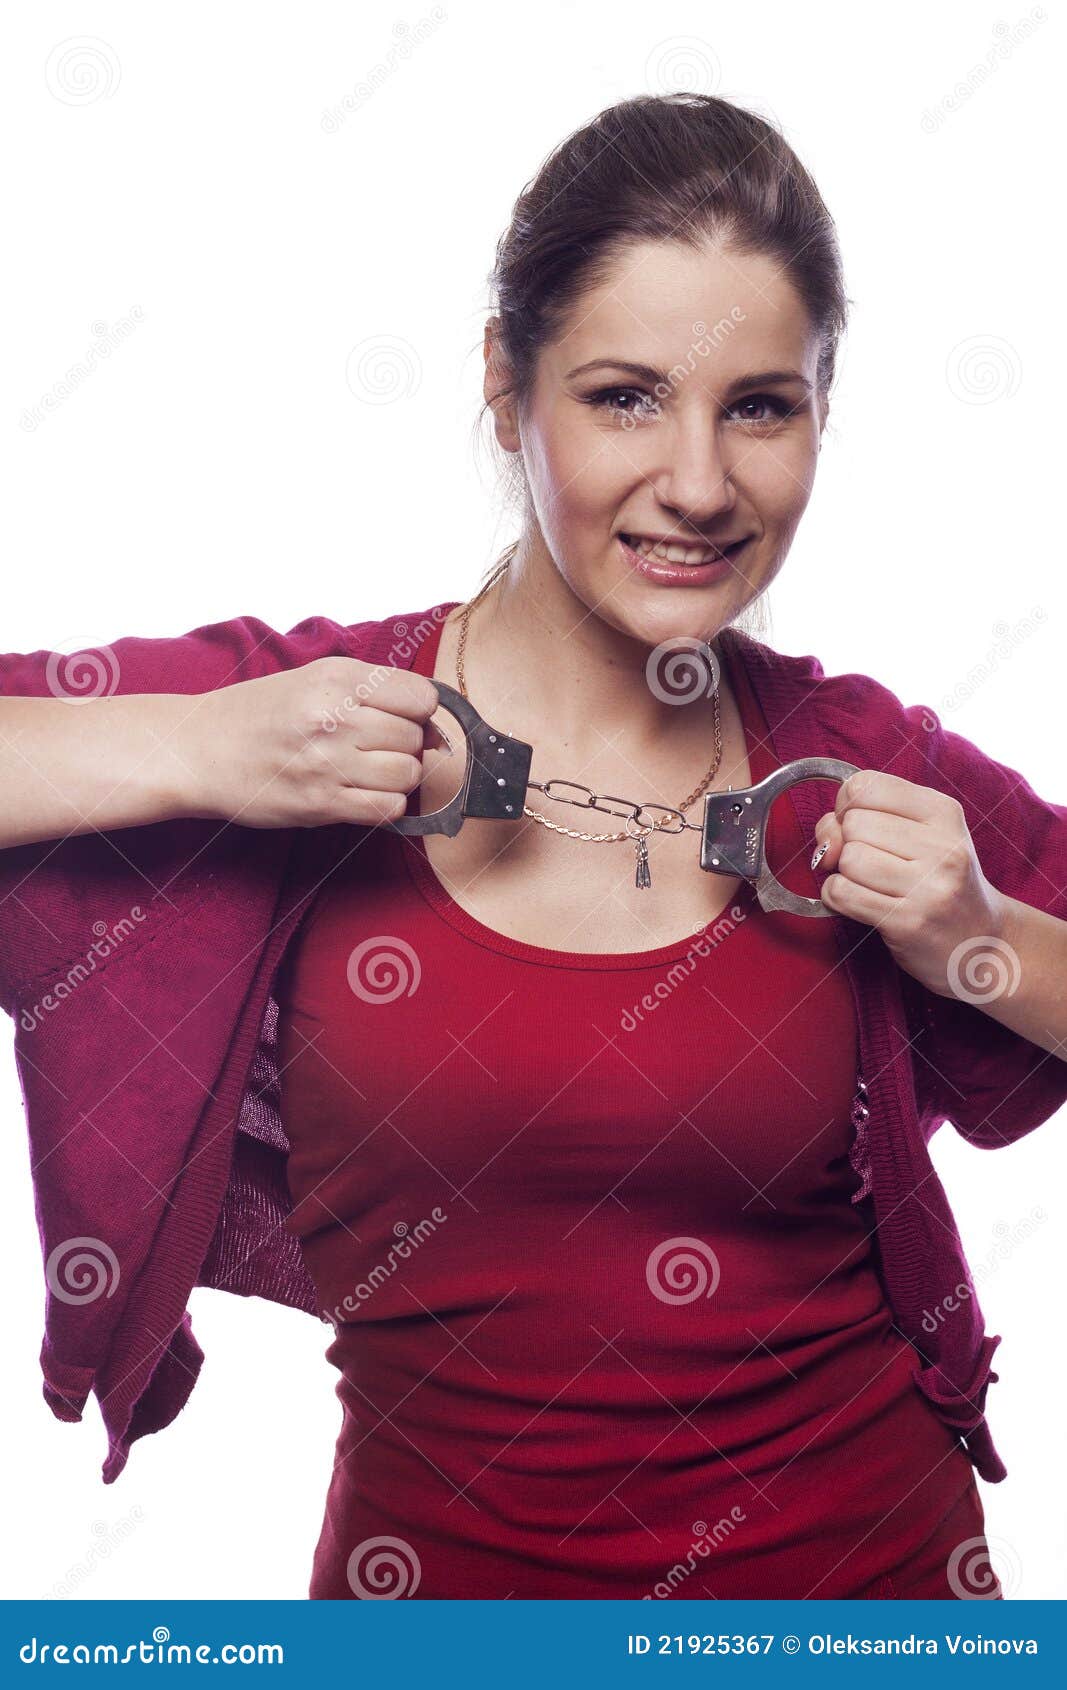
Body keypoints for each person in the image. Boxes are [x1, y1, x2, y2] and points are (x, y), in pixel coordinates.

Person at [2, 93, 1064, 1601]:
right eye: (626, 396)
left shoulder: (853, 755)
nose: (698, 482)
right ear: (506, 387)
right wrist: (200, 749)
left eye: (762, 407)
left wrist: (985, 935)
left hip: (868, 1607)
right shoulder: (306, 715)